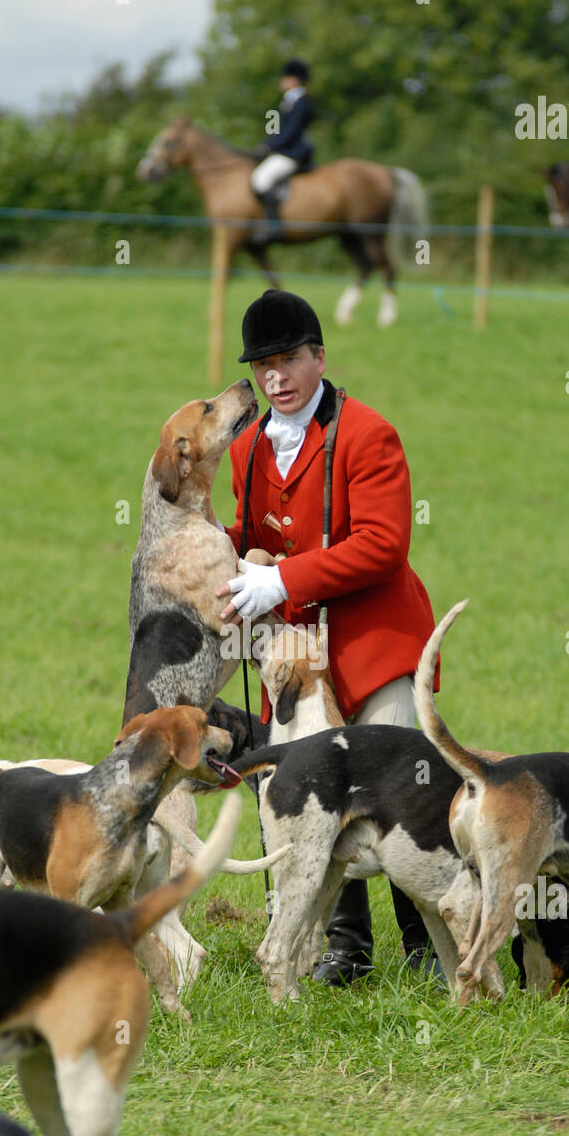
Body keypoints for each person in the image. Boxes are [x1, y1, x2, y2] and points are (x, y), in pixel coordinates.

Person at [215, 288, 445, 986]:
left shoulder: (369, 433)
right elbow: (252, 537)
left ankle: (430, 945)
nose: (275, 377)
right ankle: (345, 948)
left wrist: (284, 582)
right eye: (263, 366)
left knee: (405, 789)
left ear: (320, 357)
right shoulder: (250, 445)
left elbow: (383, 545)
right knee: (310, 793)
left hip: (375, 645)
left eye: (288, 360)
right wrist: (195, 548)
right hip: (296, 656)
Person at [249, 58, 314, 246]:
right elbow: (276, 129)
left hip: (294, 152)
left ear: (294, 80)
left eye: (285, 78)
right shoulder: (287, 101)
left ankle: (274, 226)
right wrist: (265, 144)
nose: (281, 81)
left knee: (261, 179)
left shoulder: (301, 102)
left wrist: (270, 147)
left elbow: (291, 131)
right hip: (283, 150)